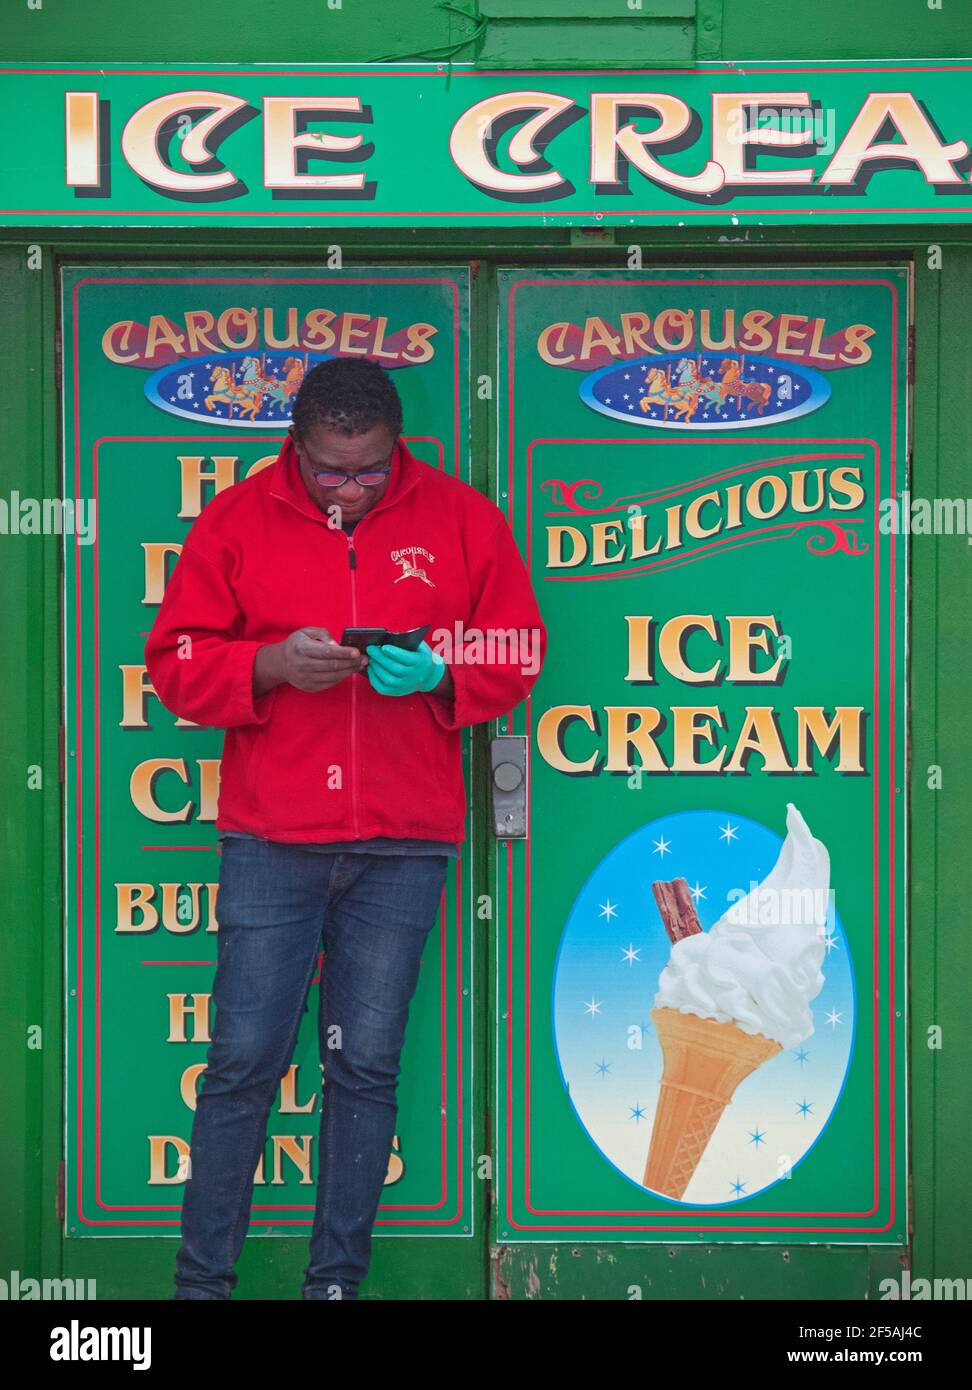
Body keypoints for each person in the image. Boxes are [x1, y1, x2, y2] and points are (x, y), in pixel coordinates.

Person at [144, 356, 546, 1300]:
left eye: (369, 469)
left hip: (404, 838)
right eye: (331, 470)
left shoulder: (460, 516)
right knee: (242, 1063)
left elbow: (517, 643)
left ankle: (335, 1288)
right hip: (273, 836)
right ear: (299, 444)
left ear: (394, 444)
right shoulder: (237, 520)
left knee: (363, 1068)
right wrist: (271, 665)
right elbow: (176, 662)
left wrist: (444, 674)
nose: (352, 488)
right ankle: (201, 1288)